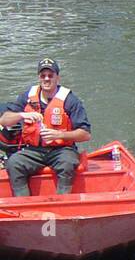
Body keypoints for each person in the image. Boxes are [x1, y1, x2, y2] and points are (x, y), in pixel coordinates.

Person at [1, 58, 92, 196]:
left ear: (57, 77)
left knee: (67, 164)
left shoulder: (70, 100)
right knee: (14, 163)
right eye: (43, 75)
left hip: (62, 150)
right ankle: (25, 206)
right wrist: (21, 115)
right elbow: (4, 120)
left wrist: (59, 135)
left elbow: (85, 134)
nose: (47, 79)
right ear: (39, 77)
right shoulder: (28, 96)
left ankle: (62, 203)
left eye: (51, 75)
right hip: (33, 150)